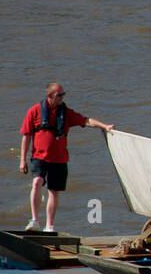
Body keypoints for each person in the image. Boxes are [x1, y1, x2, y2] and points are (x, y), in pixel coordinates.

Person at [18, 82, 114, 233]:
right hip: (39, 156)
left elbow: (86, 121)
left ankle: (49, 226)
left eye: (64, 94)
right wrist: (22, 160)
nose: (63, 97)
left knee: (53, 191)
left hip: (59, 158)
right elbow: (26, 136)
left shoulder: (66, 113)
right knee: (37, 182)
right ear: (50, 96)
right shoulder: (34, 111)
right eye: (59, 95)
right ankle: (34, 221)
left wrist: (104, 126)